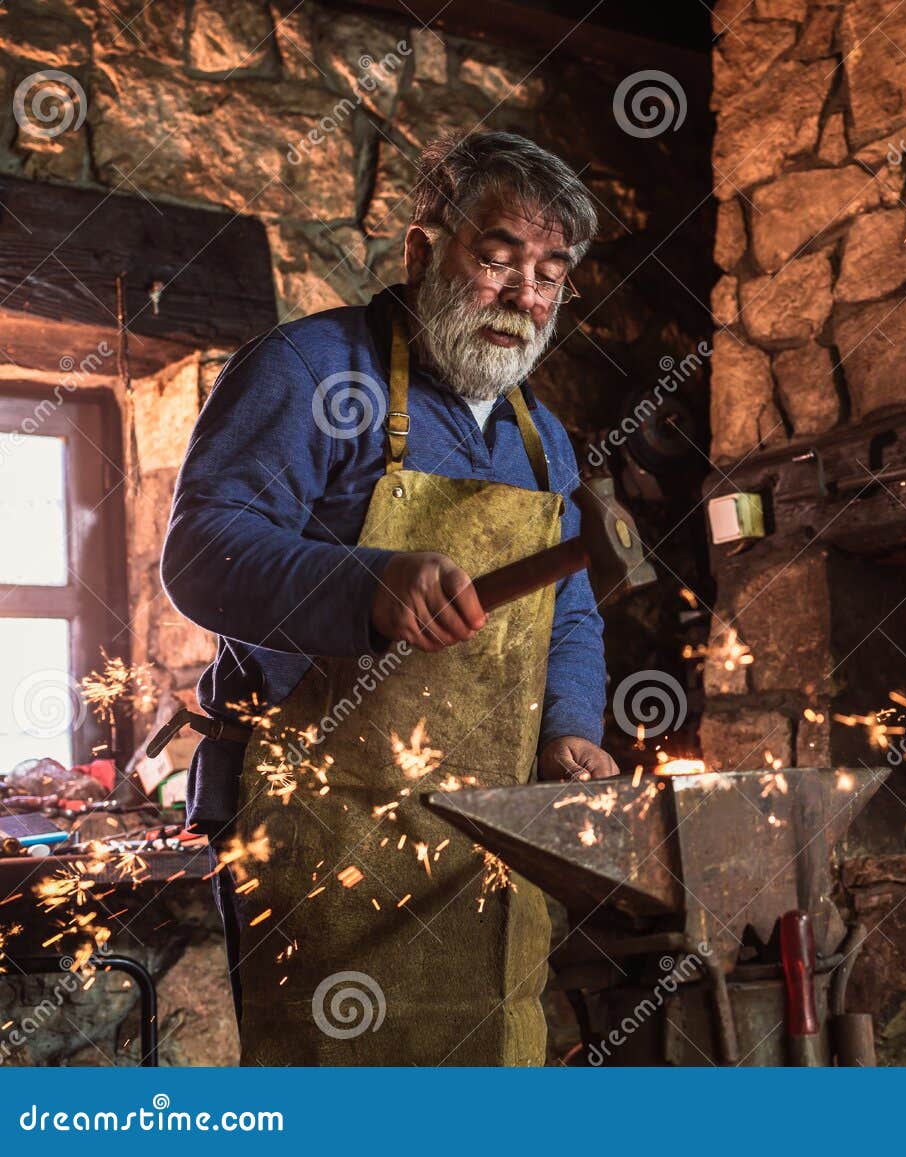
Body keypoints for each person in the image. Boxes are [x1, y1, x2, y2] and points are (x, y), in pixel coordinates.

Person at [162, 130, 618, 1065]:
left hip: (489, 840)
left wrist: (569, 727)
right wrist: (364, 583)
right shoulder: (310, 371)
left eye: (549, 275)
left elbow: (567, 611)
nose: (522, 298)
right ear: (421, 251)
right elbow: (201, 552)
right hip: (326, 835)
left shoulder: (546, 443)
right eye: (496, 259)